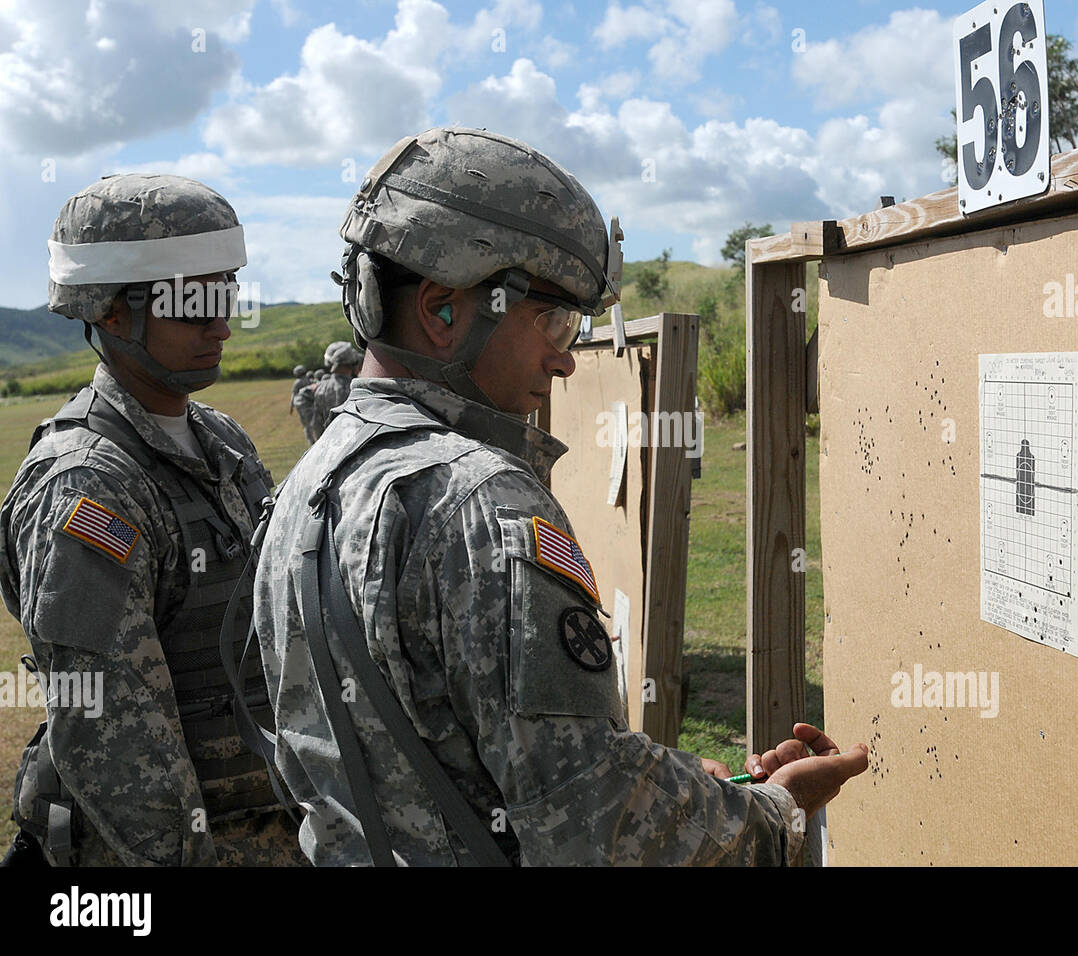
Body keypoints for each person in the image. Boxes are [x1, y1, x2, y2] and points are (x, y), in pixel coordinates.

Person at [253, 128, 869, 866]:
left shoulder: (307, 485)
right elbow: (590, 823)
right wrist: (774, 811)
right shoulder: (478, 501)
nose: (566, 358)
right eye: (549, 320)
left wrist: (661, 779)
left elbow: (462, 755)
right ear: (443, 310)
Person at [0, 174, 304, 866]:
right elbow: (113, 740)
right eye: (194, 302)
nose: (222, 322)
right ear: (112, 313)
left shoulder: (224, 442)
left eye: (225, 294)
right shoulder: (89, 485)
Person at [310, 341, 362, 438]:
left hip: (331, 445)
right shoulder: (359, 388)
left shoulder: (320, 389)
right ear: (352, 362)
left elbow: (317, 424)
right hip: (356, 445)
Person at [290, 364, 315, 443]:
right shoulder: (309, 380)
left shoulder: (297, 383)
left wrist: (291, 406)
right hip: (311, 404)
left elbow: (293, 394)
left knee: (306, 425)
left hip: (300, 406)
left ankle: (311, 441)